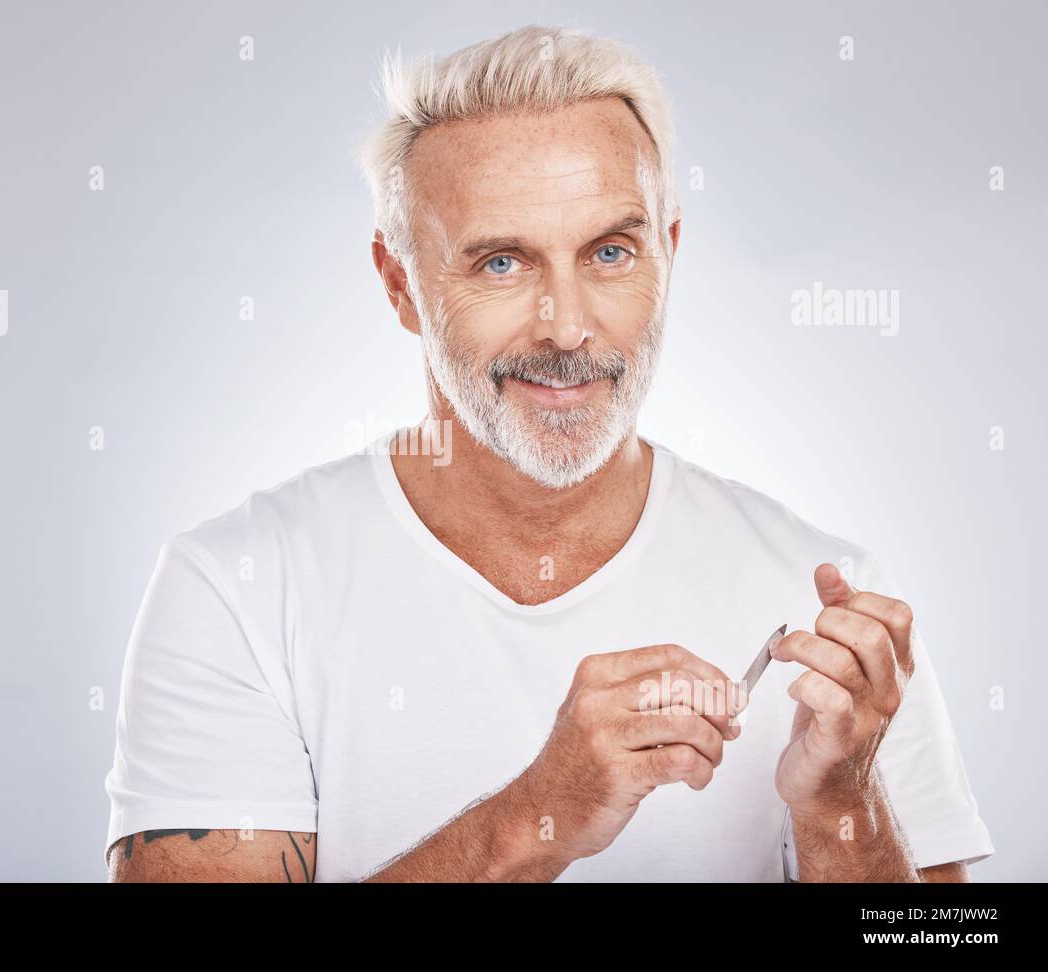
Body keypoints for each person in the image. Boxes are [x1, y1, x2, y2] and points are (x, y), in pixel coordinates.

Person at [104, 24, 993, 882]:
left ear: (667, 254)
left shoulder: (826, 596)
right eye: (500, 263)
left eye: (610, 251)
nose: (568, 328)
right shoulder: (237, 590)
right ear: (399, 283)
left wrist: (843, 802)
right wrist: (536, 820)